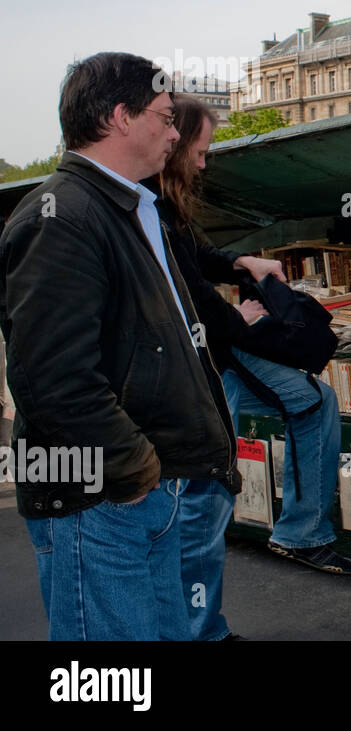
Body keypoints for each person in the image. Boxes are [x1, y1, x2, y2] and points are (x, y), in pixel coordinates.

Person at [0, 52, 240, 641]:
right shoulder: (64, 217)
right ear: (120, 118)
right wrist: (134, 469)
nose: (175, 131)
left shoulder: (129, 209)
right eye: (164, 116)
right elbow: (52, 378)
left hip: (136, 495)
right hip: (102, 503)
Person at [154, 96, 351, 640]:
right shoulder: (147, 204)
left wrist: (241, 262)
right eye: (198, 150)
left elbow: (198, 259)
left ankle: (211, 621)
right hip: (210, 354)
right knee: (202, 502)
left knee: (207, 500)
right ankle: (205, 627)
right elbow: (189, 290)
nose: (201, 162)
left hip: (217, 349)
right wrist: (239, 321)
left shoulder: (162, 203)